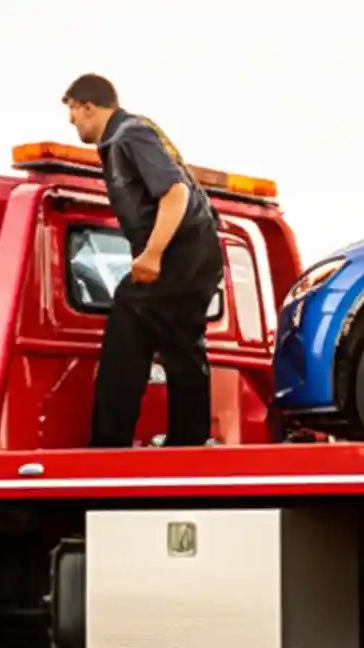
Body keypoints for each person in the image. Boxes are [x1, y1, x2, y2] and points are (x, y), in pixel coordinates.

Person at [62, 73, 224, 448]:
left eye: (72, 110)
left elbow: (174, 192)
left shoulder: (130, 134)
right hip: (194, 253)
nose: (71, 120)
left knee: (127, 337)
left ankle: (108, 447)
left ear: (89, 105)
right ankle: (188, 442)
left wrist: (151, 255)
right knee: (179, 344)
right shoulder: (128, 135)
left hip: (181, 252)